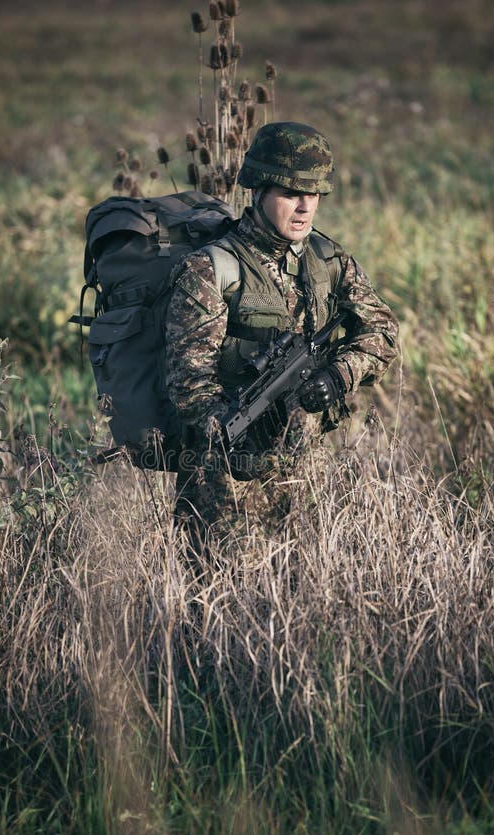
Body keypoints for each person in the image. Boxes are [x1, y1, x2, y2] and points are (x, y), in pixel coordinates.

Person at [165, 121, 399, 543]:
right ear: (258, 192)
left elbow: (381, 330)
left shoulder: (329, 260)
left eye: (313, 194)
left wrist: (338, 375)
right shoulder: (211, 270)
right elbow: (189, 386)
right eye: (291, 194)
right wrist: (231, 435)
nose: (305, 207)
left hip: (309, 481)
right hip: (226, 491)